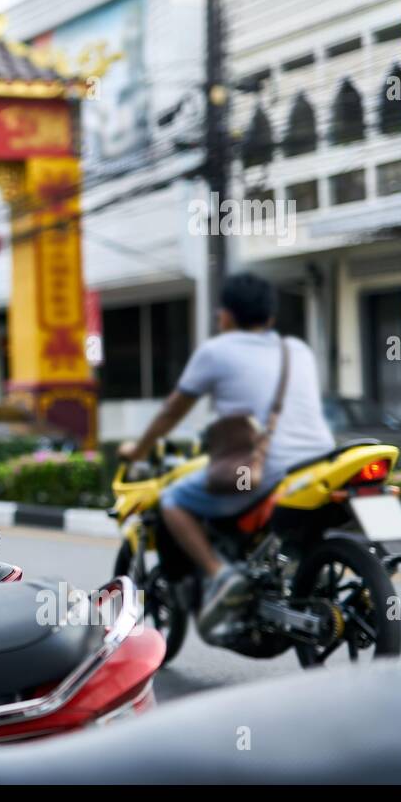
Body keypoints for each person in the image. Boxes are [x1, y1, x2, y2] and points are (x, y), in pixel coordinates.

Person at [118, 272, 335, 640]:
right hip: (319, 462)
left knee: (173, 499)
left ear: (227, 316)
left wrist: (137, 449)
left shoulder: (215, 352)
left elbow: (173, 411)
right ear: (269, 316)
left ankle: (221, 574)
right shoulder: (296, 350)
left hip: (265, 469)